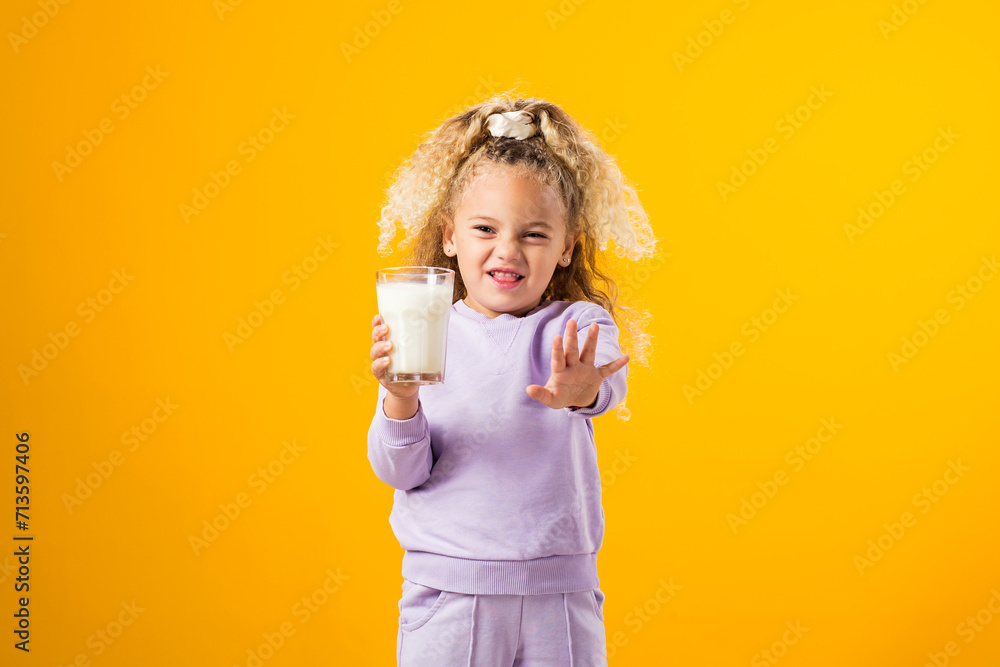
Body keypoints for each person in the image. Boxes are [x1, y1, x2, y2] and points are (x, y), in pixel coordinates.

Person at [367, 92, 658, 666]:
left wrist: (585, 391)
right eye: (484, 229)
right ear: (450, 237)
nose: (508, 250)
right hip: (448, 594)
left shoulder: (575, 325)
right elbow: (399, 470)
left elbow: (604, 383)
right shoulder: (425, 330)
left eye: (533, 234)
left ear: (567, 247)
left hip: (557, 594)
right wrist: (399, 398)